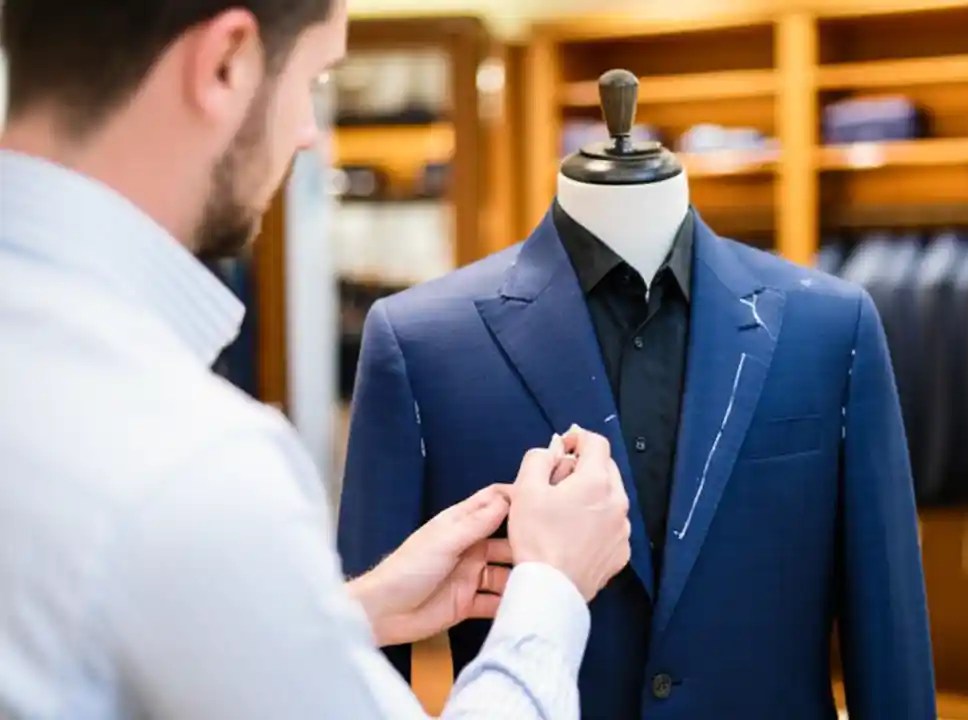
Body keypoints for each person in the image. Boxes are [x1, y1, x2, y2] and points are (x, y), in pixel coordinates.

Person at [0, 1, 631, 718]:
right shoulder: (193, 460)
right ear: (227, 62)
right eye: (312, 81)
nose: (307, 135)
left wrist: (334, 618)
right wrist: (549, 590)